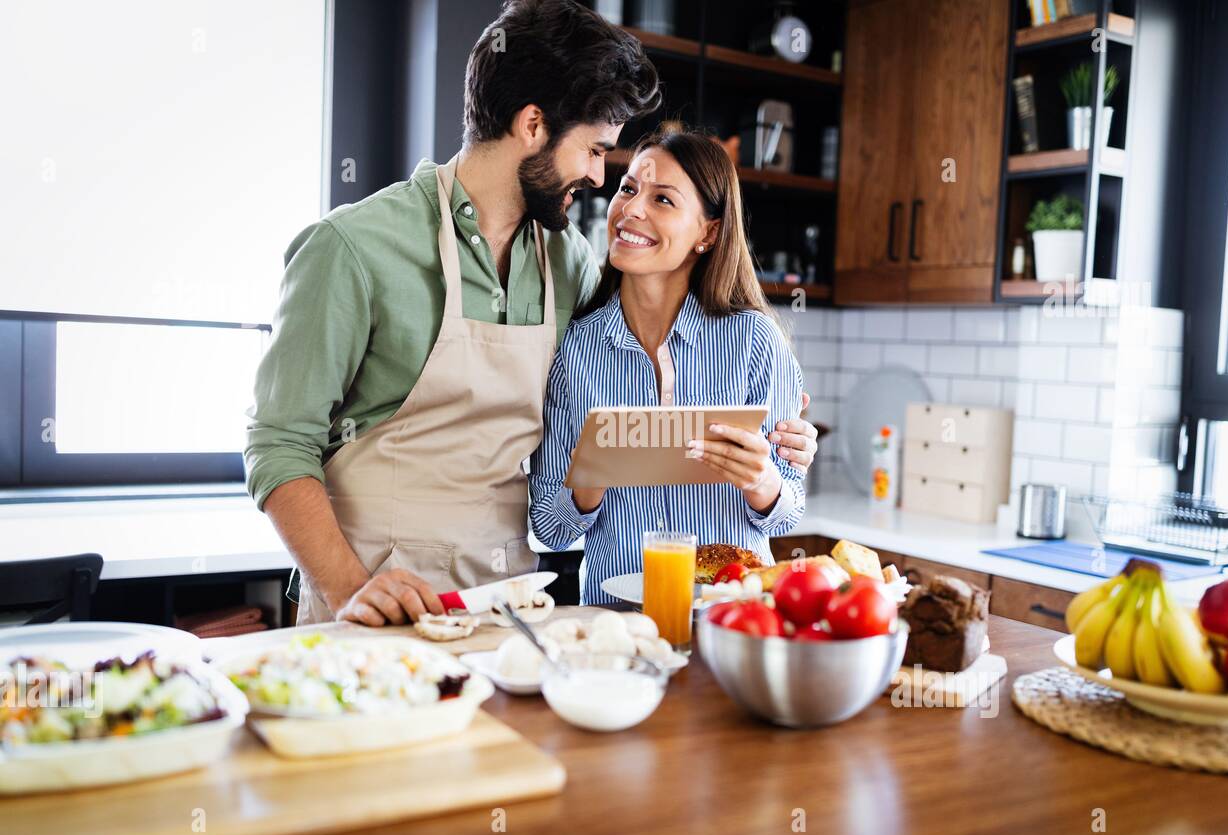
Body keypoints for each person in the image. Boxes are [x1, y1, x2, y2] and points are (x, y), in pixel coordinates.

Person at [244, 0, 822, 626]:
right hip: (374, 605)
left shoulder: (567, 263)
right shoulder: (352, 249)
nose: (601, 178)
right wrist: (350, 587)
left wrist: (786, 445)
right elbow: (278, 442)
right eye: (597, 150)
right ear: (532, 125)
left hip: (506, 605)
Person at [530, 129, 805, 604]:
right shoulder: (576, 351)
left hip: (729, 620)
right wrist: (590, 478)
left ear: (709, 232)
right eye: (629, 189)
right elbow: (550, 529)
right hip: (617, 623)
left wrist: (763, 482)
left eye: (663, 199)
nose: (632, 209)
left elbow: (788, 513)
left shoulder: (755, 344)